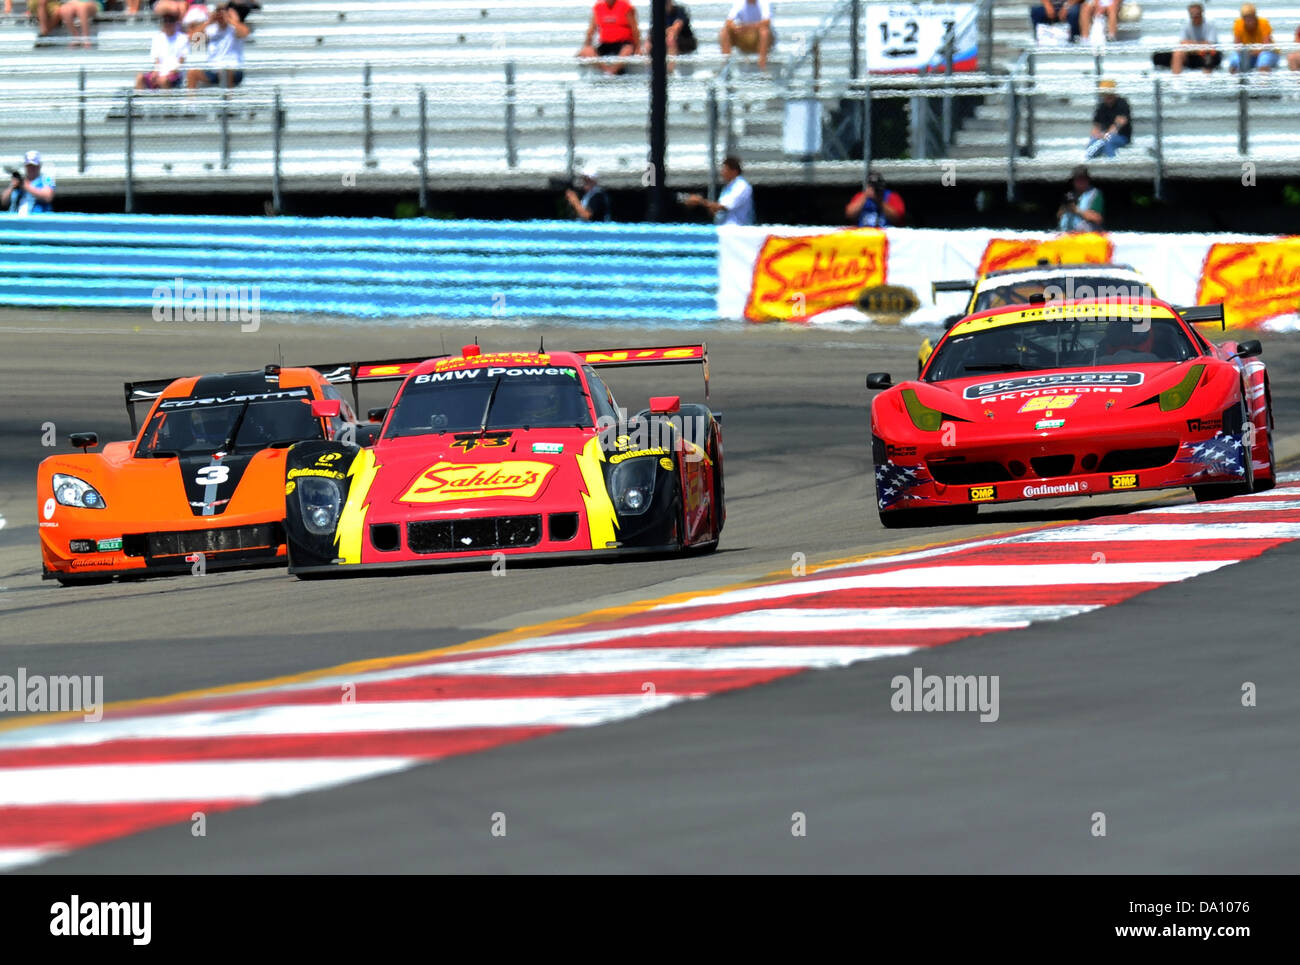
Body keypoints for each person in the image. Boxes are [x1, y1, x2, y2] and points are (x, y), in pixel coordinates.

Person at [185, 1, 250, 90]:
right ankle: (191, 101)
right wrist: (209, 22)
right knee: (192, 73)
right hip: (213, 70)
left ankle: (228, 98)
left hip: (233, 70)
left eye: (223, 12)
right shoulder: (211, 29)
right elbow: (192, 38)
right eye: (218, 12)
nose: (220, 15)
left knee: (226, 71)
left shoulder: (233, 29)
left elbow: (245, 33)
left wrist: (231, 20)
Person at [683, 155, 754, 226]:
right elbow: (718, 210)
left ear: (734, 171)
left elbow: (724, 207)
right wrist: (709, 207)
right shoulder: (727, 188)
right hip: (724, 229)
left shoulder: (741, 186)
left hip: (738, 230)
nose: (722, 173)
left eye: (725, 170)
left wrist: (700, 201)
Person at [578, 0, 641, 77]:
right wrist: (587, 45)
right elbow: (591, 29)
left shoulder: (625, 6)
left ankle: (613, 70)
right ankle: (607, 71)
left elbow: (635, 29)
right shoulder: (598, 7)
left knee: (627, 49)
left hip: (623, 42)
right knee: (587, 51)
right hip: (605, 43)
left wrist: (638, 47)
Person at [1153, 4, 1222, 73]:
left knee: (1208, 55)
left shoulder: (1210, 25)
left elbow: (1209, 44)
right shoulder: (1186, 24)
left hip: (1204, 53)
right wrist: (1199, 45)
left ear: (1202, 13)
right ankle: (1176, 79)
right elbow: (1183, 43)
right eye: (1192, 15)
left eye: (1197, 14)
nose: (1195, 17)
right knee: (1177, 53)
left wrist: (1192, 44)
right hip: (1191, 53)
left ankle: (1207, 80)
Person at [135, 11, 189, 89]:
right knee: (140, 77)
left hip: (175, 73)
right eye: (165, 21)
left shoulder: (183, 38)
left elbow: (181, 60)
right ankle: (139, 100)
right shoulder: (157, 38)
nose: (167, 23)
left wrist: (170, 72)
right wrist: (156, 72)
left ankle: (165, 100)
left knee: (163, 80)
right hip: (160, 72)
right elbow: (157, 59)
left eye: (170, 21)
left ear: (175, 23)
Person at [720, 0, 774, 71]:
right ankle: (726, 64)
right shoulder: (739, 3)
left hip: (758, 37)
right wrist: (736, 27)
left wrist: (749, 27)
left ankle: (762, 66)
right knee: (725, 31)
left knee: (764, 31)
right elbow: (729, 21)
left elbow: (767, 22)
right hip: (744, 37)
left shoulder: (764, 3)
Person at [1085, 78, 1131, 159]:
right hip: (1104, 136)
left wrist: (1105, 135)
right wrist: (1097, 135)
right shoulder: (1101, 107)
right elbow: (1096, 127)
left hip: (1121, 136)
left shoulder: (1122, 103)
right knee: (1093, 143)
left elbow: (1119, 123)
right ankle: (1089, 163)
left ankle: (1112, 163)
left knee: (1108, 142)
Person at [2, 150, 56, 215]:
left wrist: (27, 187)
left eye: (34, 166)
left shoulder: (46, 179)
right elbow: (4, 202)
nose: (31, 169)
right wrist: (12, 187)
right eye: (29, 166)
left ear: (39, 166)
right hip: (17, 220)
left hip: (37, 220)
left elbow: (48, 197)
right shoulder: (20, 180)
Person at [1229, 4, 1278, 73]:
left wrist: (1250, 53)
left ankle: (1263, 83)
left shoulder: (1263, 23)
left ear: (1255, 17)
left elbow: (1266, 46)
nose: (1248, 21)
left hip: (1264, 52)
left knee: (1263, 59)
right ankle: (1237, 82)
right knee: (1234, 60)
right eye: (1246, 18)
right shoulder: (1238, 24)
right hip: (1247, 54)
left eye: (1251, 18)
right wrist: (1247, 54)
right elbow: (1237, 46)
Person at [1057, 166, 1104, 232]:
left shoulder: (1095, 194)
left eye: (1082, 179)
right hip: (1069, 234)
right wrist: (1065, 209)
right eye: (1077, 179)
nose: (1080, 182)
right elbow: (1059, 216)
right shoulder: (1069, 195)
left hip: (1087, 234)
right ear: (1073, 181)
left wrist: (1076, 210)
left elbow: (1097, 219)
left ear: (1088, 180)